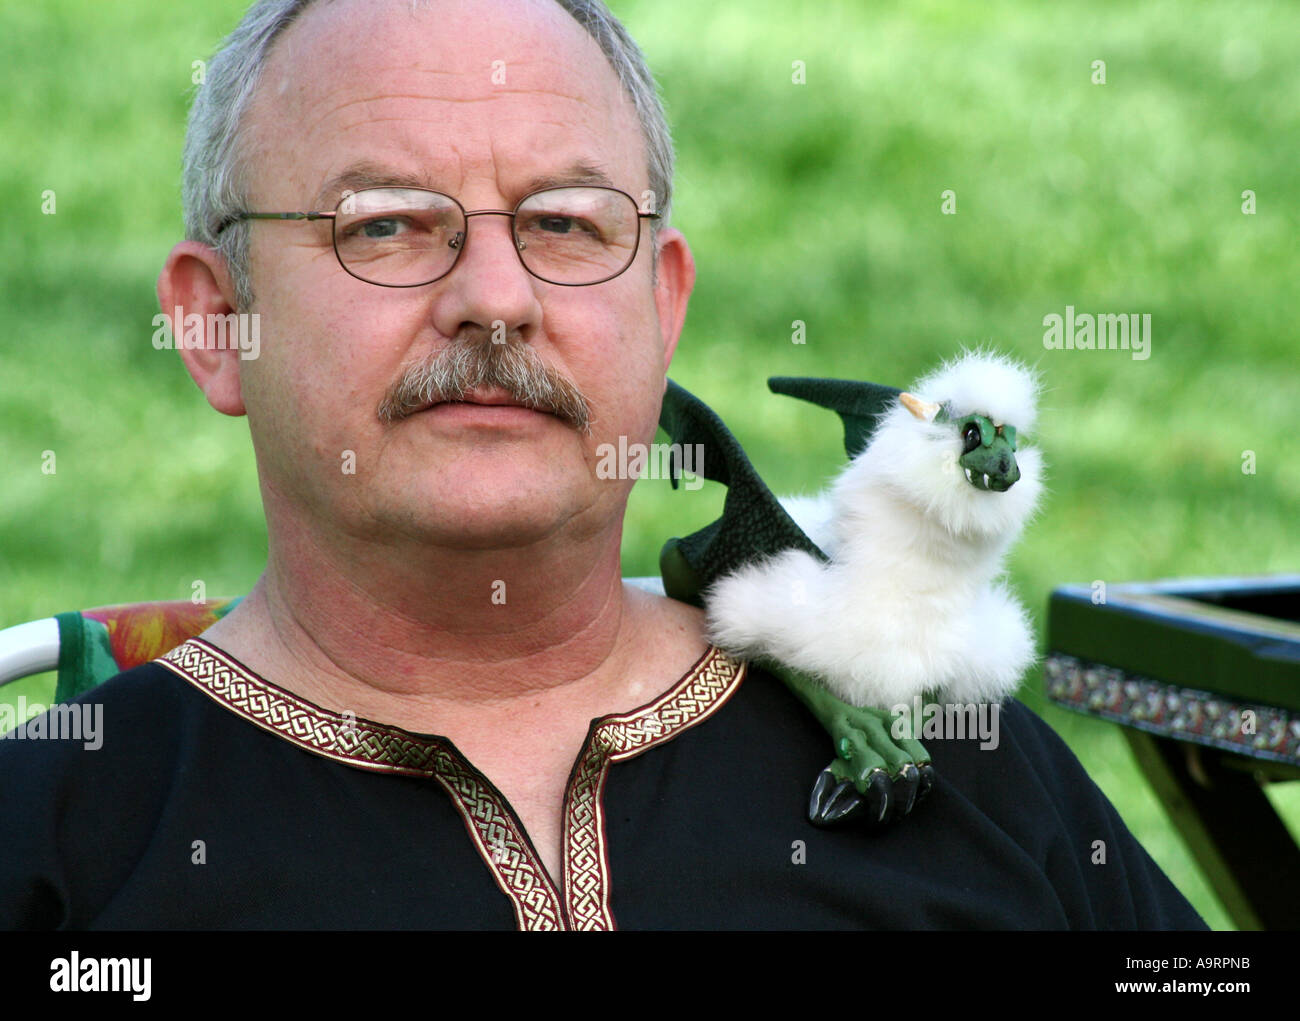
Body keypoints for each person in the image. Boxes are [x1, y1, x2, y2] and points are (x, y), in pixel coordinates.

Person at [0, 0, 1206, 930]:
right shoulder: (56, 838)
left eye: (566, 222)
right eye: (383, 223)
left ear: (662, 306)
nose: (494, 299)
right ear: (216, 325)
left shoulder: (947, 747)